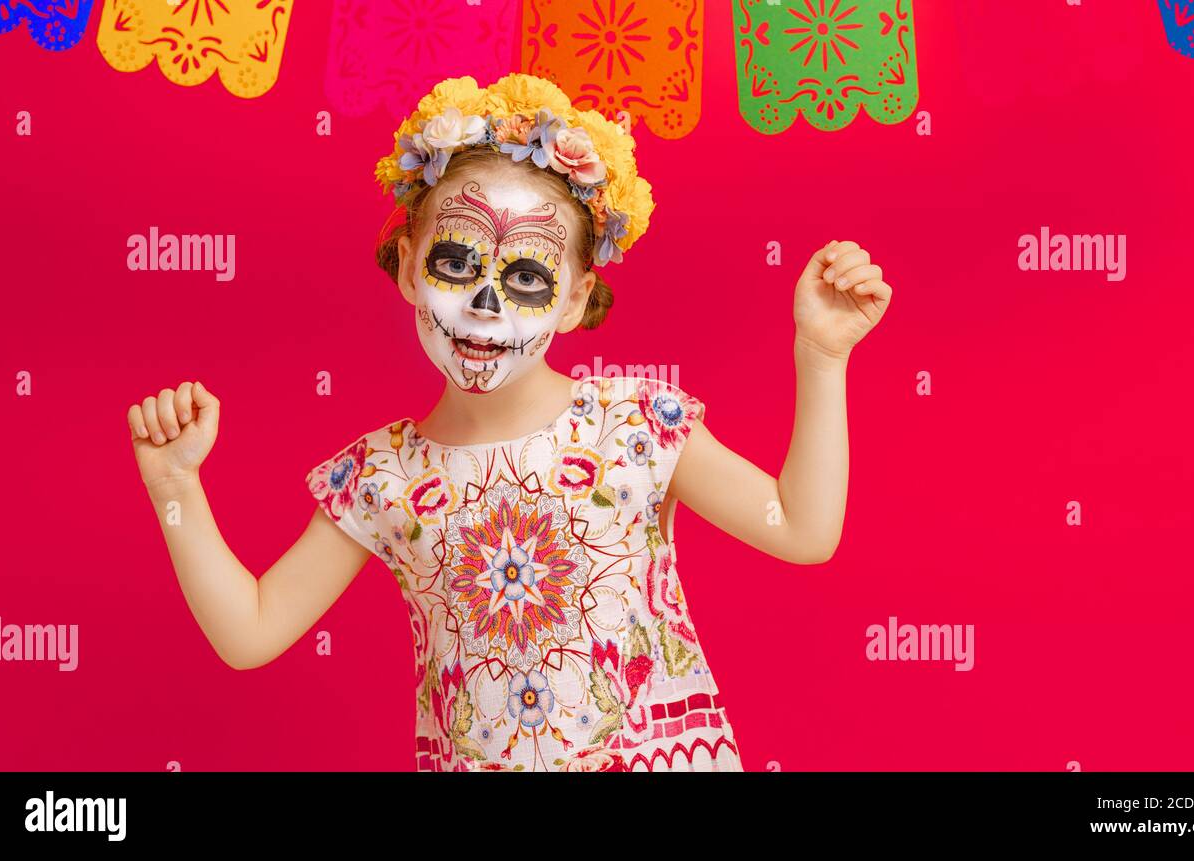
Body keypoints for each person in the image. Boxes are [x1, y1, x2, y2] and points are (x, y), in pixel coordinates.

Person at [126, 74, 893, 772]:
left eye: (526, 277)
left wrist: (821, 358)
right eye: (457, 263)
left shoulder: (632, 426)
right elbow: (250, 632)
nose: (486, 305)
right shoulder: (381, 477)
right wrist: (175, 488)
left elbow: (801, 528)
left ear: (571, 298)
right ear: (405, 265)